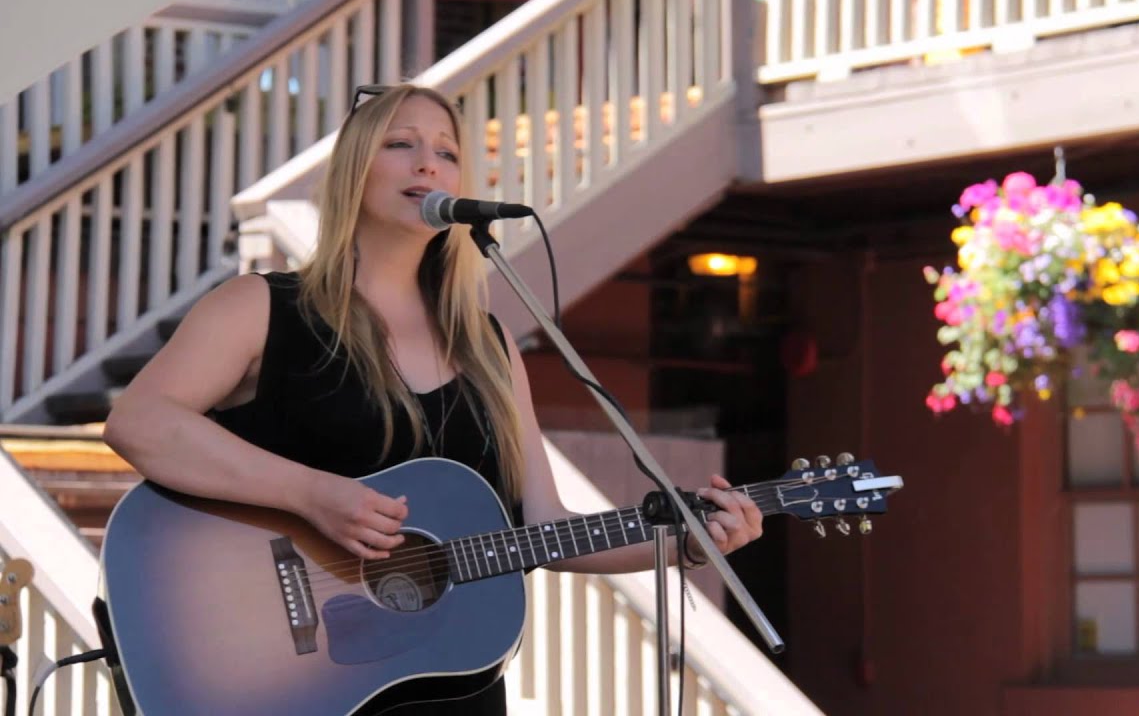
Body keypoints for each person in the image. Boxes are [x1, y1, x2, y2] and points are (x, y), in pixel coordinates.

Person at [102, 83, 765, 715]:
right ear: (355, 170)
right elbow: (140, 422)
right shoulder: (263, 308)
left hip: (451, 698)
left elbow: (542, 529)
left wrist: (687, 543)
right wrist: (311, 495)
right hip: (298, 690)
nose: (428, 163)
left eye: (447, 152)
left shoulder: (489, 343)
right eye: (401, 144)